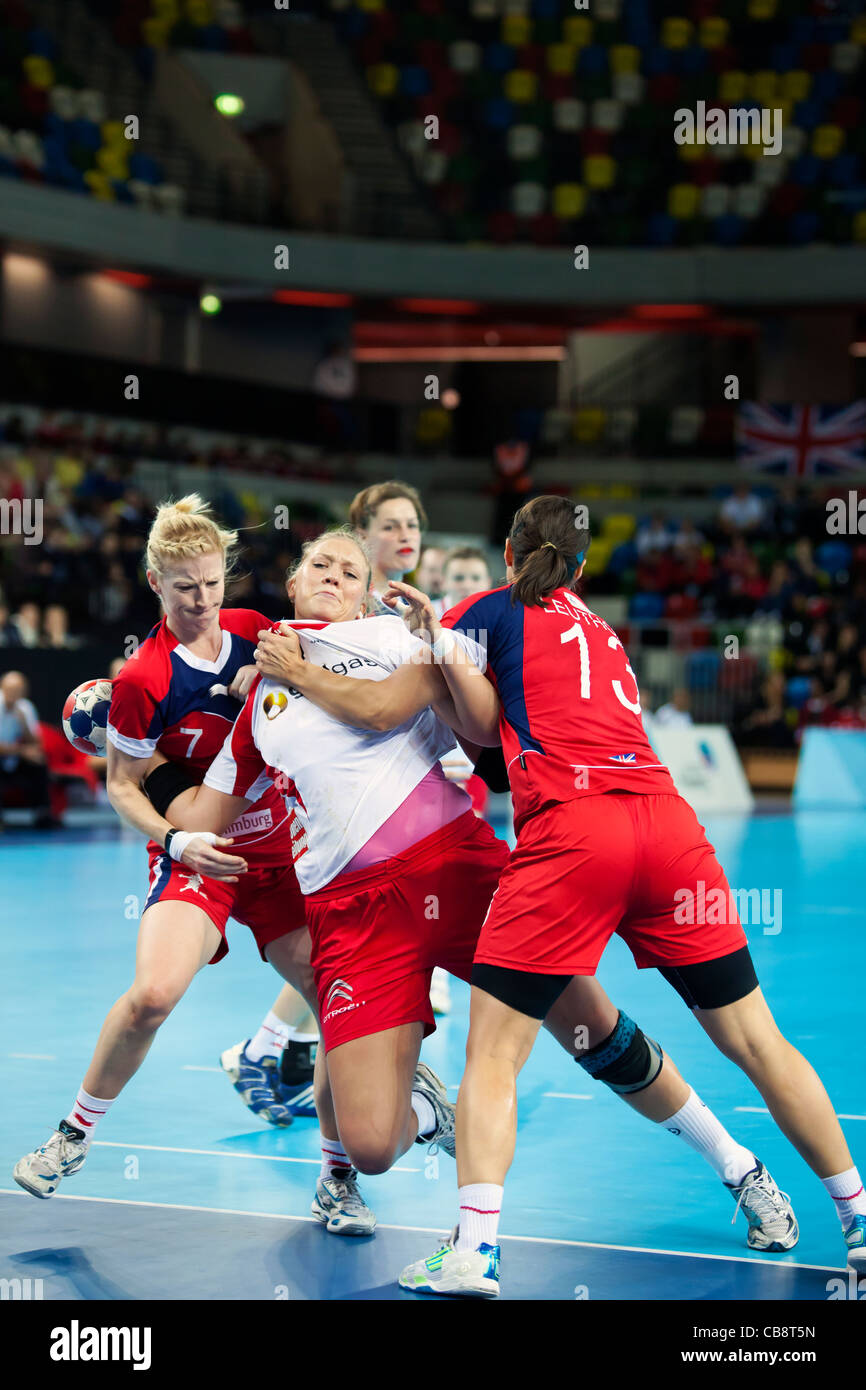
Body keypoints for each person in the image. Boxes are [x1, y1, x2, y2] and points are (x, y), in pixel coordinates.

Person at [200, 527, 800, 1254]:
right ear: (292, 586)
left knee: (591, 1025)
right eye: (317, 565)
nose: (332, 575)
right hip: (353, 912)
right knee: (371, 1147)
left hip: (456, 869)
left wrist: (299, 670)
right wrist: (131, 761)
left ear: (365, 591)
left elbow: (385, 711)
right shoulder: (256, 689)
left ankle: (738, 1168)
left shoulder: (401, 639)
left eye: (349, 570)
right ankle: (427, 1109)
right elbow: (204, 814)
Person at [381, 494, 864, 1295]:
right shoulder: (601, 634)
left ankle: (475, 1249)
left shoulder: (487, 611)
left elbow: (467, 712)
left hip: (575, 834)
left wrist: (427, 642)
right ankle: (855, 1220)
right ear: (582, 567)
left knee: (494, 1055)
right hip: (671, 832)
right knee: (759, 1041)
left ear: (508, 552)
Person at [13, 495, 320, 1203]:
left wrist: (280, 666)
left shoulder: (255, 631)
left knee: (334, 1004)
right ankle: (73, 1134)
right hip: (193, 855)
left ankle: (338, 1177)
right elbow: (121, 787)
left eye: (213, 582)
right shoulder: (143, 679)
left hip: (277, 854)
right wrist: (176, 838)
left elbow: (326, 656)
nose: (202, 599)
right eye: (185, 586)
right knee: (152, 996)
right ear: (156, 581)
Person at [0, 670, 55, 829]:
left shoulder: (25, 707)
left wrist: (24, 725)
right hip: (7, 756)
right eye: (10, 690)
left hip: (14, 758)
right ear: (2, 688)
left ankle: (42, 814)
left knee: (39, 763)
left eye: (18, 691)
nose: (14, 694)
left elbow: (36, 743)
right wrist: (21, 751)